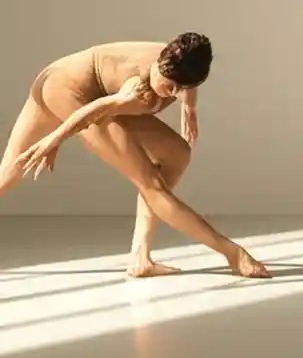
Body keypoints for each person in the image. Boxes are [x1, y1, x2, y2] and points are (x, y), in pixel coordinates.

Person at [1, 33, 271, 278]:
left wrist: (189, 109)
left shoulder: (176, 58)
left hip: (73, 79)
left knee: (177, 154)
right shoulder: (138, 92)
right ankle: (232, 253)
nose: (175, 93)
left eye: (181, 88)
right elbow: (92, 112)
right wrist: (54, 140)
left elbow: (188, 78)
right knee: (151, 186)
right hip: (67, 90)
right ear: (161, 67)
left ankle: (140, 258)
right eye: (170, 86)